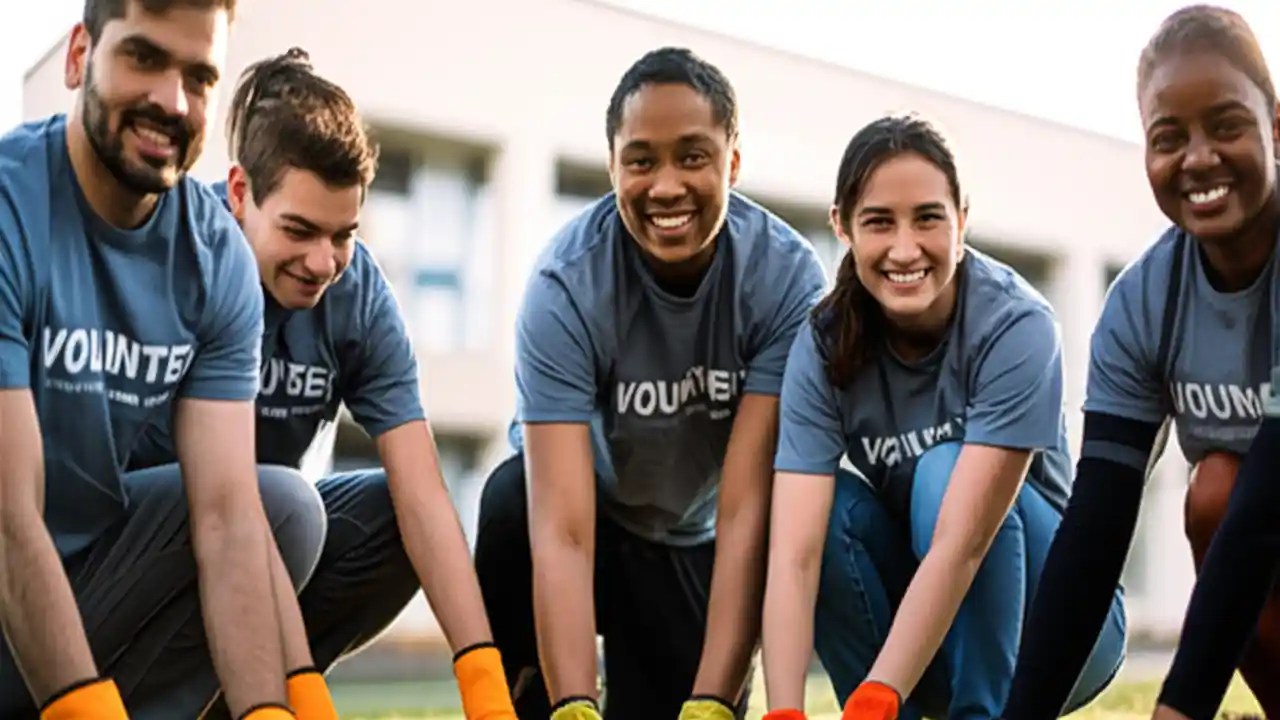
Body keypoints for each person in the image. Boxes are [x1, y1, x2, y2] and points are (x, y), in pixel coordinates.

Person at [126, 48, 519, 720]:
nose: (322, 262)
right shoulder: (181, 256)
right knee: (284, 505)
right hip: (135, 551)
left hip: (260, 540)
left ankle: (235, 702)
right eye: (299, 231)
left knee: (388, 512)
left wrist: (486, 688)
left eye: (343, 235)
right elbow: (227, 506)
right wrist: (305, 697)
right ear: (241, 193)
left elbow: (424, 495)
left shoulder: (358, 293)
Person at [471, 46, 828, 720]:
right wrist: (574, 701)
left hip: (697, 540)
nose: (666, 187)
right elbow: (562, 529)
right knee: (509, 500)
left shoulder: (785, 281)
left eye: (693, 156)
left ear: (734, 162)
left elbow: (748, 508)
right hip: (594, 526)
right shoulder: (564, 287)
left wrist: (713, 698)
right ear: (612, 167)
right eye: (641, 161)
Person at [0, 1, 329, 719]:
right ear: (79, 55)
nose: (172, 102)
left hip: (87, 573)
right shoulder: (9, 209)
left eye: (200, 76)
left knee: (279, 511)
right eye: (144, 58)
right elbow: (8, 516)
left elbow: (226, 520)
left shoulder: (216, 257)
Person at [757, 114, 1126, 720]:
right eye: (879, 222)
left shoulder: (1016, 323)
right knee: (827, 513)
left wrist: (882, 690)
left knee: (943, 471)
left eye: (928, 218)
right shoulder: (822, 346)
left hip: (1064, 626)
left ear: (962, 219)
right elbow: (795, 555)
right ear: (842, 227)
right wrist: (786, 710)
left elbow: (964, 541)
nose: (906, 249)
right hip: (926, 629)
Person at [999, 6, 1280, 720]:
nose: (1199, 157)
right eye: (1169, 137)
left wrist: (1179, 706)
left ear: (1276, 127)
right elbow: (1096, 525)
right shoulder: (1143, 304)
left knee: (1245, 498)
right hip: (1259, 530)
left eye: (1226, 125)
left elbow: (1270, 500)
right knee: (1213, 490)